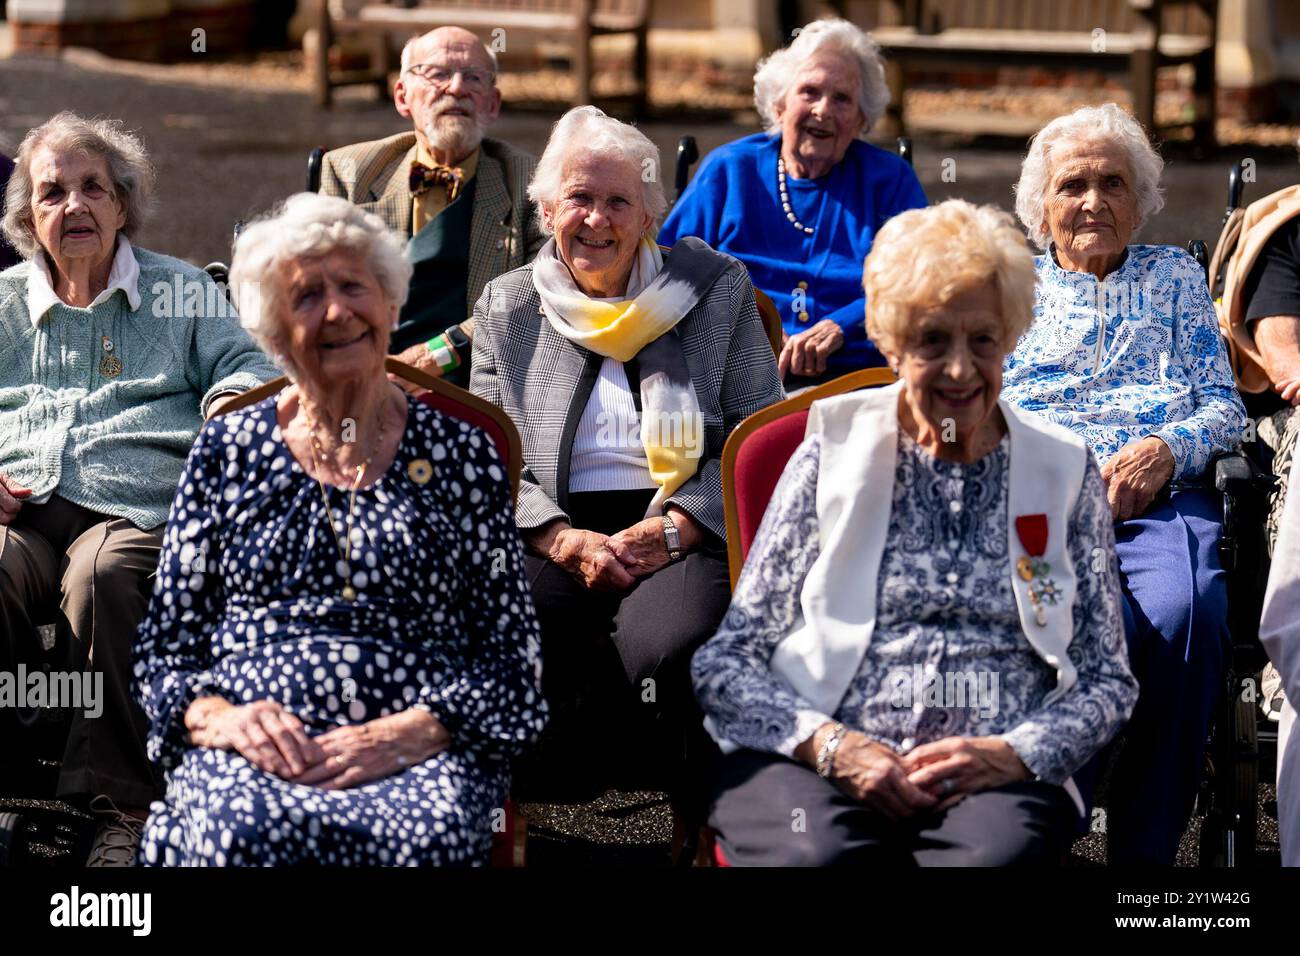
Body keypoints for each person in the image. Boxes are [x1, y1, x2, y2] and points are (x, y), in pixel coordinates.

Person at [692, 199, 1138, 866]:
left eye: (982, 340)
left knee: (991, 862)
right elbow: (728, 660)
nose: (960, 369)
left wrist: (1012, 753)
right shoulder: (832, 448)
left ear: (1010, 339)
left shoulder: (1063, 466)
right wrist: (834, 748)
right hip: (817, 755)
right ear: (894, 344)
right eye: (933, 341)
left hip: (996, 772)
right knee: (815, 858)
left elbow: (1108, 679)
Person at [132, 193, 546, 866]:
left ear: (389, 305)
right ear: (269, 333)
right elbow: (165, 649)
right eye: (305, 297)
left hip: (416, 743)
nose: (336, 312)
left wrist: (419, 730)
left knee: (422, 839)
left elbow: (512, 656)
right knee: (237, 832)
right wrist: (221, 718)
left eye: (355, 287)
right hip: (257, 742)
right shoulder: (227, 450)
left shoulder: (461, 454)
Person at [470, 106, 784, 801]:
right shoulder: (508, 305)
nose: (596, 219)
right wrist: (559, 538)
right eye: (579, 198)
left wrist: (680, 527)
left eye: (619, 202)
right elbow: (490, 453)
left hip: (679, 518)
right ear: (549, 207)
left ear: (649, 218)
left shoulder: (714, 289)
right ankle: (539, 796)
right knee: (513, 627)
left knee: (671, 643)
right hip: (551, 523)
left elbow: (757, 430)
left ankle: (672, 797)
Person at [0, 111, 277, 865]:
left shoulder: (181, 291)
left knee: (105, 575)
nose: (75, 206)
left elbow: (249, 369)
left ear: (123, 205)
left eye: (94, 188)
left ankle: (122, 806)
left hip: (133, 501)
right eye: (52, 193)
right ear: (29, 216)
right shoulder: (2, 302)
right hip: (17, 505)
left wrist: (224, 408)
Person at [1002, 103, 1248, 865]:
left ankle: (1144, 854)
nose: (1092, 201)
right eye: (1072, 184)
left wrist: (1166, 449)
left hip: (1164, 503)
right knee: (1063, 623)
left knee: (1184, 617)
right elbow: (981, 404)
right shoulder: (1011, 286)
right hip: (1041, 501)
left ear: (1140, 200)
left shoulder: (1175, 277)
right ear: (1041, 205)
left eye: (1113, 183)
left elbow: (1225, 407)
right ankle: (1045, 828)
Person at [658, 18, 926, 388]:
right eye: (810, 92)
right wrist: (751, 333)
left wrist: (843, 325)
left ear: (861, 120)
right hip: (735, 375)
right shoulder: (730, 170)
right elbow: (671, 269)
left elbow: (922, 278)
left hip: (858, 376)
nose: (823, 110)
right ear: (780, 104)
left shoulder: (890, 180)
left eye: (842, 99)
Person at [319, 25, 546, 387]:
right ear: (402, 96)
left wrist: (439, 355)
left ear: (492, 103)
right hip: (361, 381)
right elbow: (322, 283)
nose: (456, 88)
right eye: (438, 74)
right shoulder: (350, 173)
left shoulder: (531, 183)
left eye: (473, 77)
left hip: (479, 386)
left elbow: (539, 291)